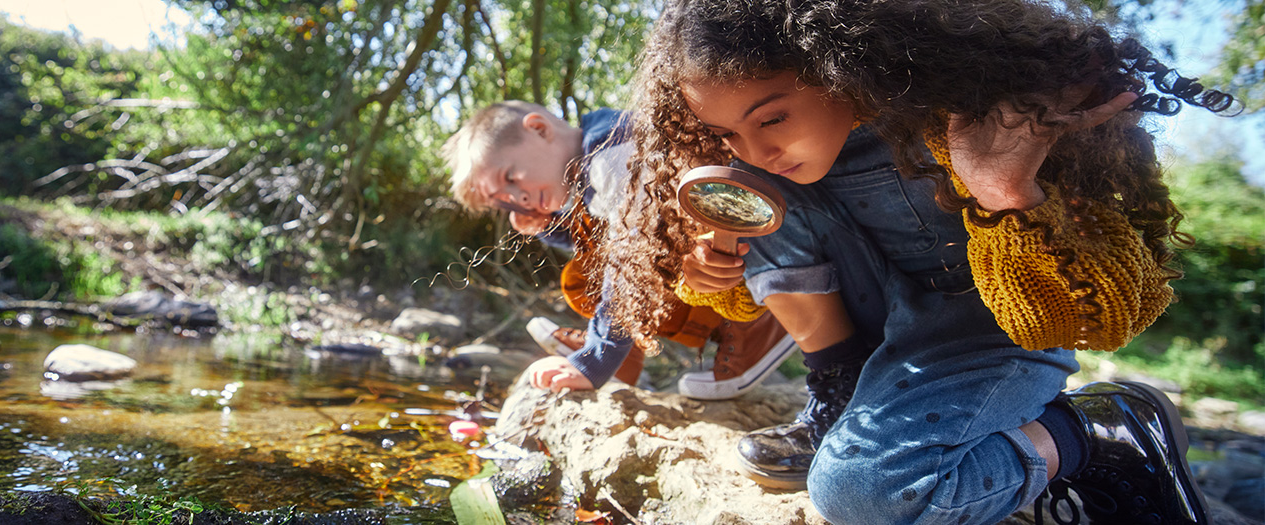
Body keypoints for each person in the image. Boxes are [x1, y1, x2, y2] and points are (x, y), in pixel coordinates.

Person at [598, 0, 1236, 523]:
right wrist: (715, 273)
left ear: (835, 62)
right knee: (745, 189)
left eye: (772, 117)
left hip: (994, 331)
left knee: (861, 496)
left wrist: (1006, 193)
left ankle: (1095, 431)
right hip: (885, 328)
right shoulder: (768, 168)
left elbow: (1100, 317)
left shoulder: (991, 115)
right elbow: (756, 296)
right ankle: (840, 393)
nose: (756, 148)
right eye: (729, 133)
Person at [439, 100, 795, 399]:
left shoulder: (610, 156)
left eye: (512, 178)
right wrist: (548, 225)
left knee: (612, 272)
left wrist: (596, 360)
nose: (519, 199)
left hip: (752, 262)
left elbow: (628, 266)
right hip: (711, 272)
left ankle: (761, 326)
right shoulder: (589, 164)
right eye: (504, 201)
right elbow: (594, 245)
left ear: (539, 129)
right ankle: (626, 362)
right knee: (584, 276)